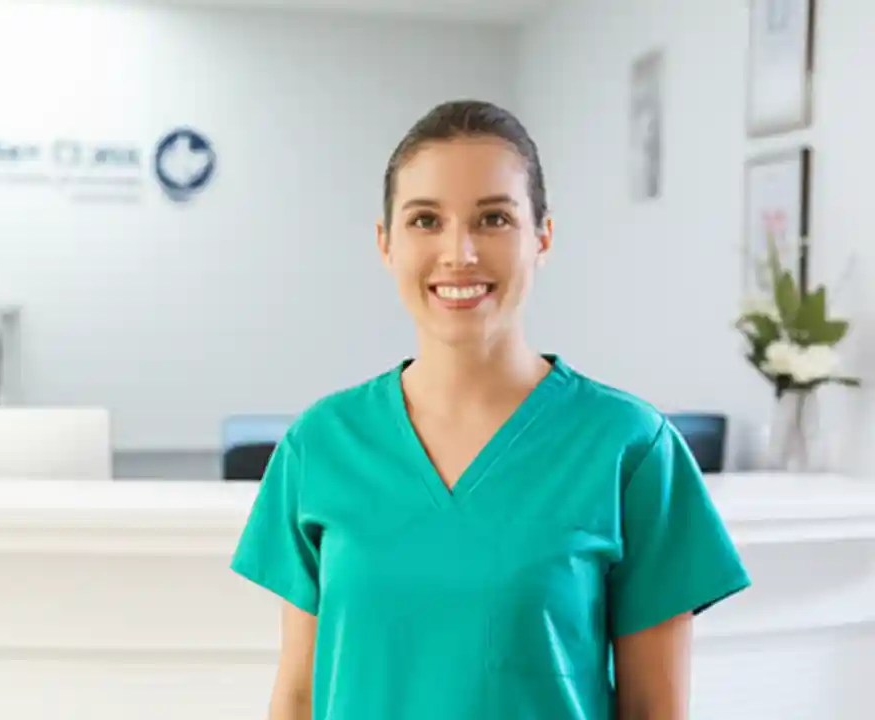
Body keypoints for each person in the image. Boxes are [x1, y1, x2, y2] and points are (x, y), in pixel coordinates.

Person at [229, 99, 750, 720]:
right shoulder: (321, 444)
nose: (460, 253)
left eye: (494, 219)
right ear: (384, 242)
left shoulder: (630, 448)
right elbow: (296, 698)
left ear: (543, 237)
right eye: (425, 220)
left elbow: (654, 709)